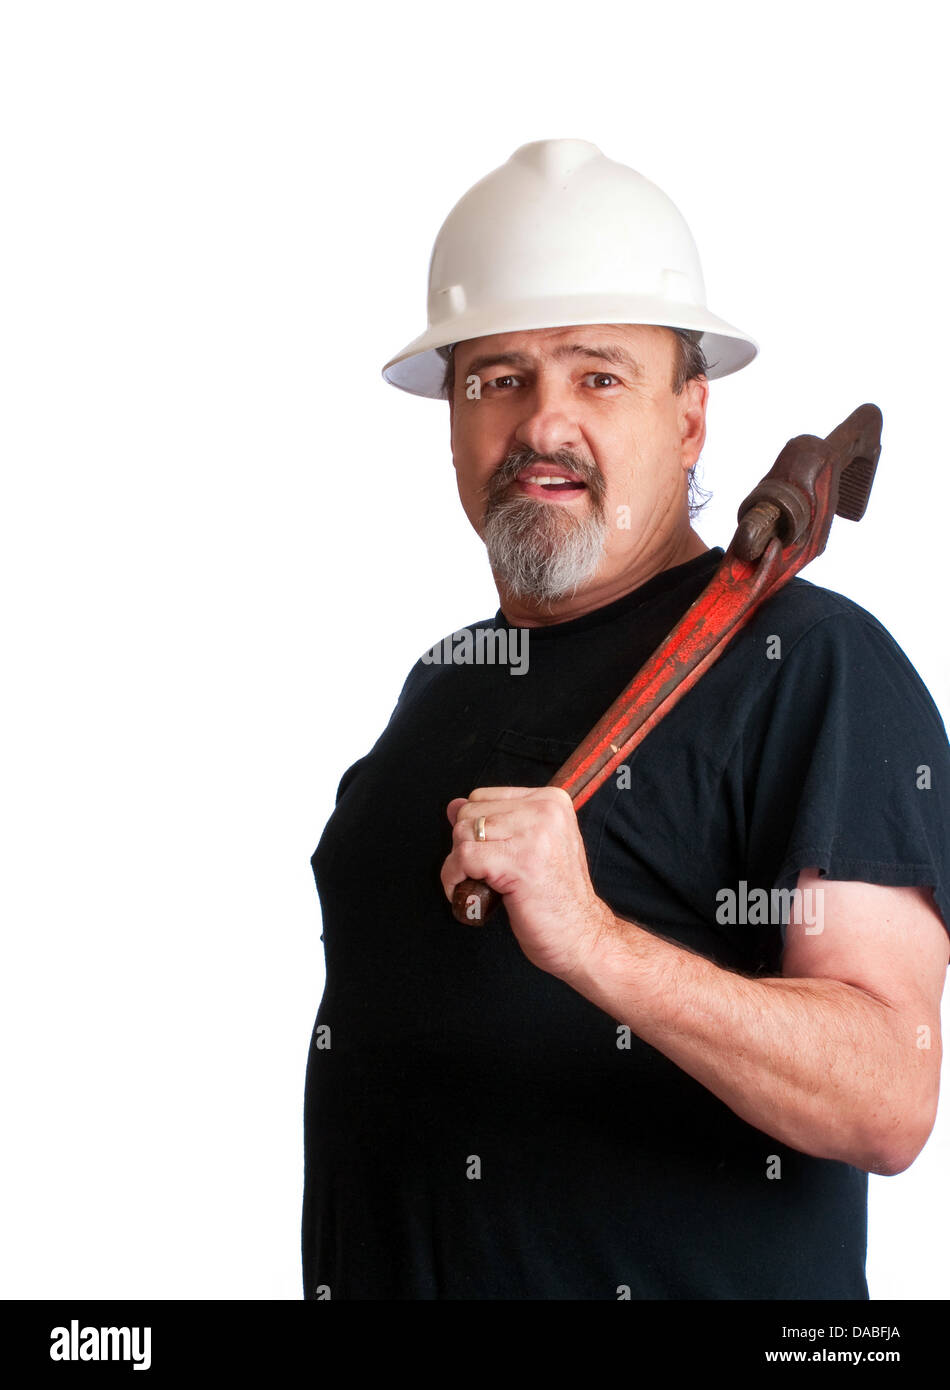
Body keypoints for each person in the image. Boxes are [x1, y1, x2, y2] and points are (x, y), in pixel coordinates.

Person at [302, 140, 950, 1300]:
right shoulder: (444, 683)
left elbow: (886, 1094)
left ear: (689, 418)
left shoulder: (807, 665)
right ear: (452, 419)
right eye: (495, 378)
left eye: (597, 376)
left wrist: (591, 940)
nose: (541, 424)